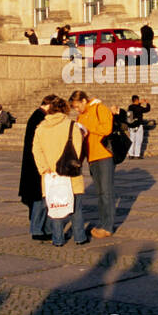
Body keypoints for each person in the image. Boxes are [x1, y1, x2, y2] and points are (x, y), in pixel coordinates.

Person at [32, 96, 88, 247]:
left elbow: (36, 150)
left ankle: (58, 239)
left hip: (50, 175)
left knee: (55, 206)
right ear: (65, 109)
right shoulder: (72, 126)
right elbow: (77, 150)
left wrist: (44, 168)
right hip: (70, 173)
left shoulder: (41, 128)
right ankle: (79, 237)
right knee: (76, 206)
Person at [71, 91, 115, 239]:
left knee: (106, 192)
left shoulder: (99, 108)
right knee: (100, 192)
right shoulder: (80, 117)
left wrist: (89, 128)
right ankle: (103, 223)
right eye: (75, 108)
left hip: (103, 155)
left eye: (78, 106)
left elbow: (106, 128)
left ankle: (107, 226)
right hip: (91, 157)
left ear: (84, 100)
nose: (77, 110)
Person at [19, 96, 56, 241]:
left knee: (42, 197)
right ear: (48, 105)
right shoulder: (39, 118)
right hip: (37, 163)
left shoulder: (37, 115)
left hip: (35, 162)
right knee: (39, 198)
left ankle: (45, 229)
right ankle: (37, 229)